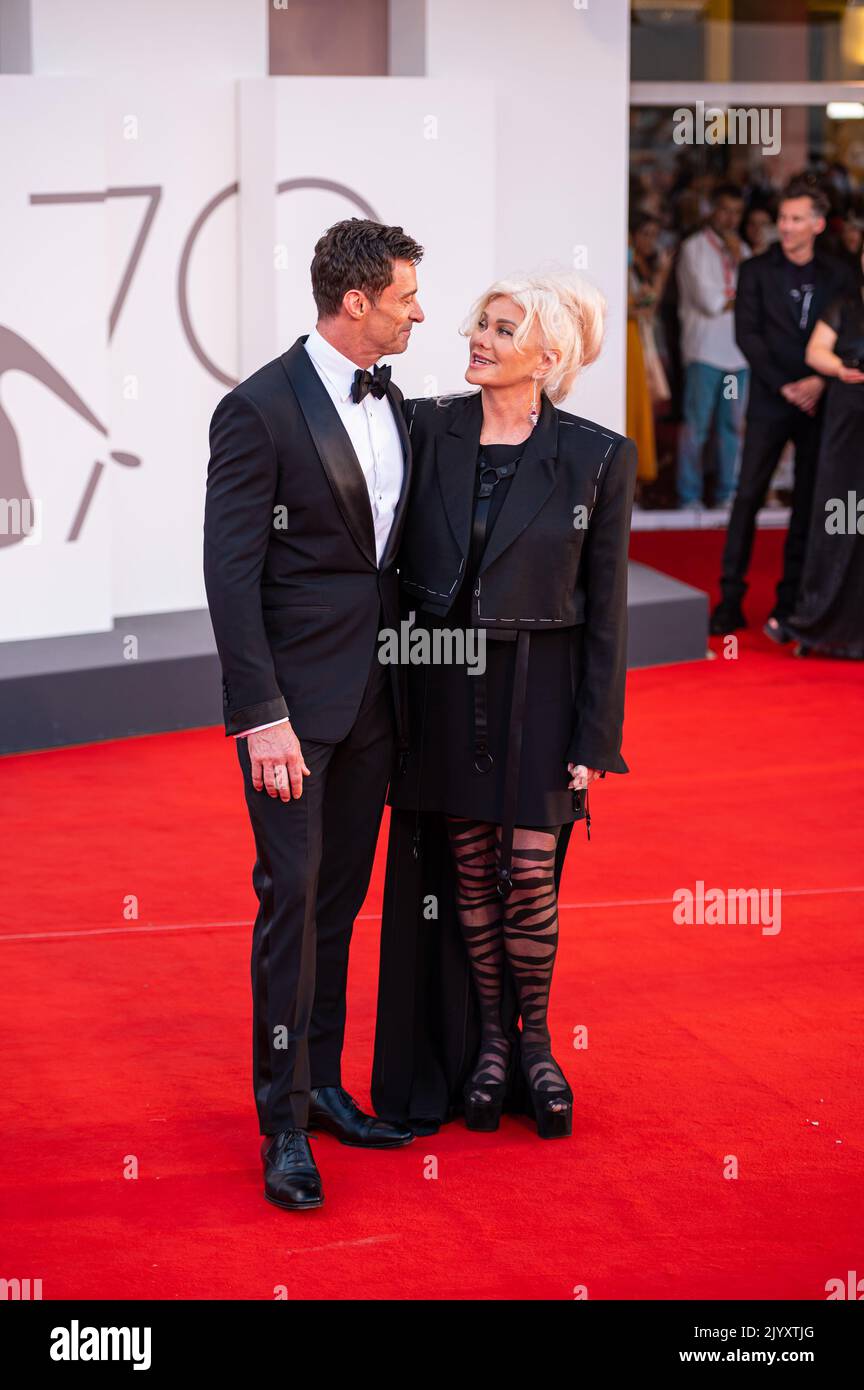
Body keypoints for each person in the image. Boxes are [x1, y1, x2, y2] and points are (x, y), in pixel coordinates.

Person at [371, 271, 637, 1139]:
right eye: (479, 324)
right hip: (446, 682)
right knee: (469, 875)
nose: (476, 338)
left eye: (501, 328)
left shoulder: (597, 454)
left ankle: (539, 1048)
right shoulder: (428, 425)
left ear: (547, 355)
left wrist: (595, 735)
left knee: (530, 878)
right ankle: (490, 1044)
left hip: (544, 690)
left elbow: (607, 611)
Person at [203, 219, 425, 1211]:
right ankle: (282, 1123)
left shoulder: (399, 403)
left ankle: (327, 1086)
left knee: (339, 905)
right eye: (407, 295)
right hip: (293, 714)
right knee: (291, 907)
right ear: (356, 304)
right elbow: (229, 573)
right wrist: (261, 714)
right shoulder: (256, 409)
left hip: (378, 700)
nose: (421, 309)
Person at [710, 176, 858, 638]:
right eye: (782, 219)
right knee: (747, 497)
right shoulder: (756, 270)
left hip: (822, 406)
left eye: (796, 219)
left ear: (817, 223)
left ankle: (791, 602)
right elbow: (747, 337)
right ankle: (729, 599)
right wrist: (788, 386)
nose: (786, 227)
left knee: (810, 503)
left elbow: (849, 335)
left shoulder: (841, 273)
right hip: (772, 403)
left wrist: (818, 380)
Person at [785, 245, 864, 659]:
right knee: (842, 516)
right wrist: (838, 369)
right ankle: (825, 622)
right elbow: (814, 351)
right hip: (848, 422)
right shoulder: (846, 306)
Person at [675, 183, 750, 509]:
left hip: (738, 355)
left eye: (736, 212)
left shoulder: (743, 250)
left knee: (732, 427)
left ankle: (727, 493)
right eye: (725, 210)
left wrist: (738, 265)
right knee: (696, 426)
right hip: (704, 351)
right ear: (712, 211)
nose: (730, 218)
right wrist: (739, 290)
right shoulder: (694, 248)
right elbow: (710, 302)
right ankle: (688, 496)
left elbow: (755, 300)